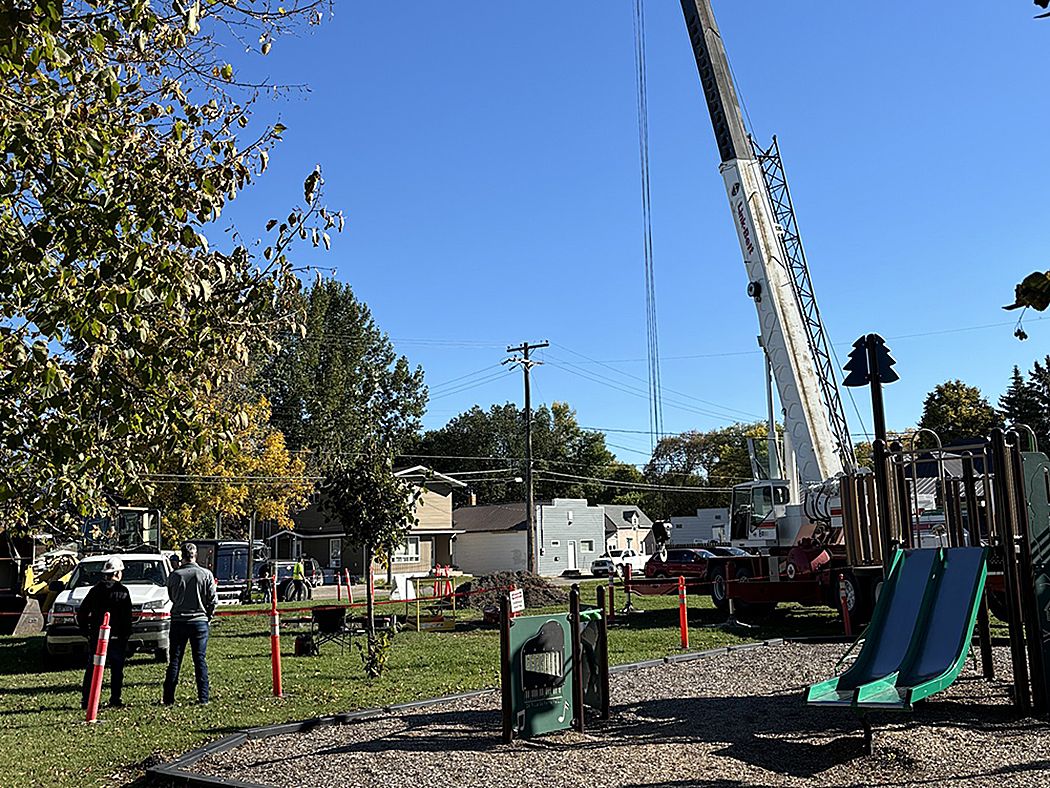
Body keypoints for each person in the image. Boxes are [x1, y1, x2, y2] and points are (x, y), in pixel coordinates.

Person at [163, 542, 217, 705]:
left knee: (175, 660)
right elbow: (212, 600)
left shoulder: (174, 576)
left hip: (179, 621)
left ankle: (168, 698)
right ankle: (203, 697)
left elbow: (172, 597)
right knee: (200, 660)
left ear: (182, 556)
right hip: (199, 621)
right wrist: (208, 616)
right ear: (195, 555)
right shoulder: (206, 574)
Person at [77, 557, 133, 709]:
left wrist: (85, 630)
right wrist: (126, 635)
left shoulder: (95, 590)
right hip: (117, 638)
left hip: (97, 636)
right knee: (116, 670)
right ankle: (115, 699)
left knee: (93, 668)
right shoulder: (122, 591)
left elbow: (82, 612)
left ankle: (87, 699)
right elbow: (127, 616)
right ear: (117, 573)